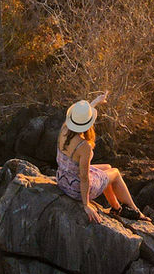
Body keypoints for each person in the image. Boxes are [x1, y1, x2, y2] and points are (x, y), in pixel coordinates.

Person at [56, 92, 148, 223]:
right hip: (75, 188)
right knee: (115, 173)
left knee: (107, 168)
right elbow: (84, 177)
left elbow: (80, 116)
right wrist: (86, 205)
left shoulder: (64, 129)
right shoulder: (84, 146)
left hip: (63, 179)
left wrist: (95, 102)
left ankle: (116, 208)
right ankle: (135, 211)